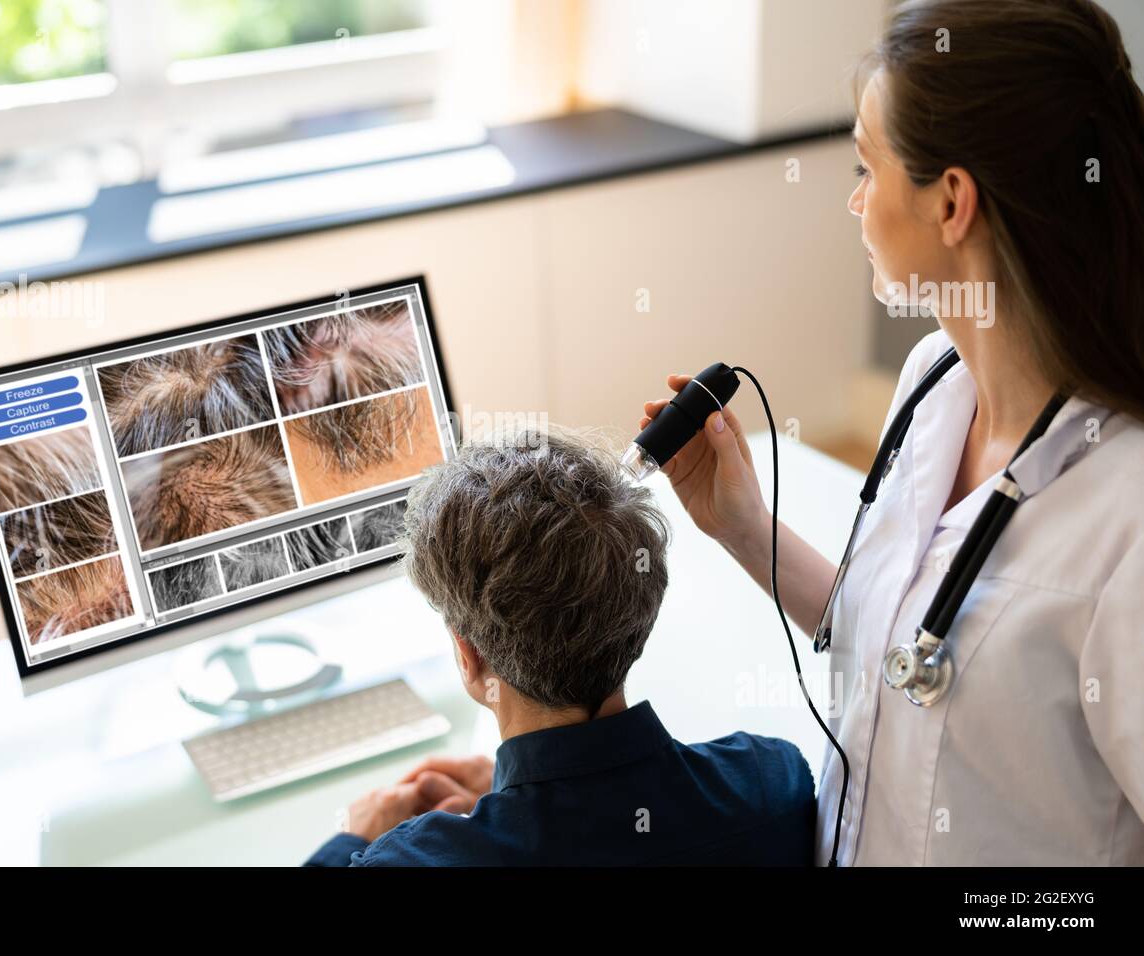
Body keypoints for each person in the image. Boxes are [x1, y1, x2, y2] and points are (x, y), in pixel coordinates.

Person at [640, 0, 1144, 865]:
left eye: (867, 168)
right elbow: (902, 645)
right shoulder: (932, 382)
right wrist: (740, 525)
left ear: (951, 201)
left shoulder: (1126, 514)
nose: (854, 200)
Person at [304, 428, 816, 866]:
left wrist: (353, 837)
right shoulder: (771, 784)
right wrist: (516, 792)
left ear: (469, 656)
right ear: (642, 610)